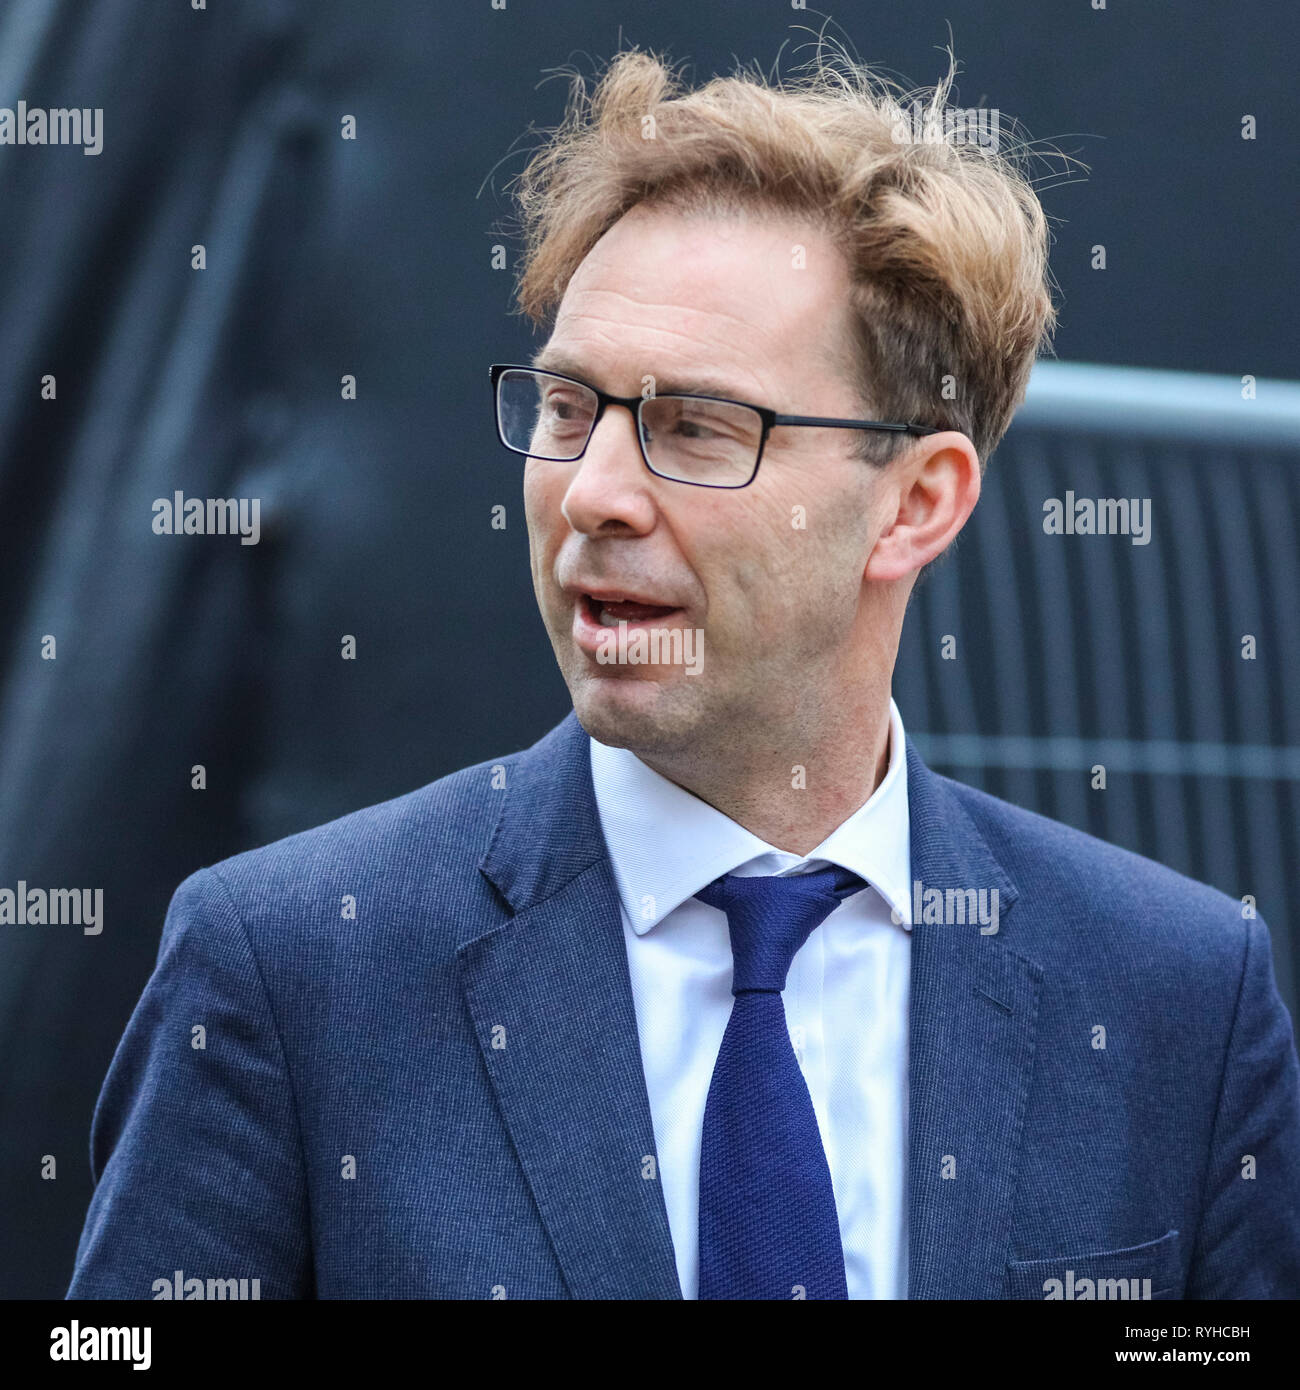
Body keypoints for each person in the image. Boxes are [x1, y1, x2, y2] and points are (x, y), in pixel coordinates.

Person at [68, 46, 1300, 1300]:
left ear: (916, 504)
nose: (594, 493)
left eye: (694, 427)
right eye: (565, 409)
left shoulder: (1176, 998)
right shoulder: (289, 966)